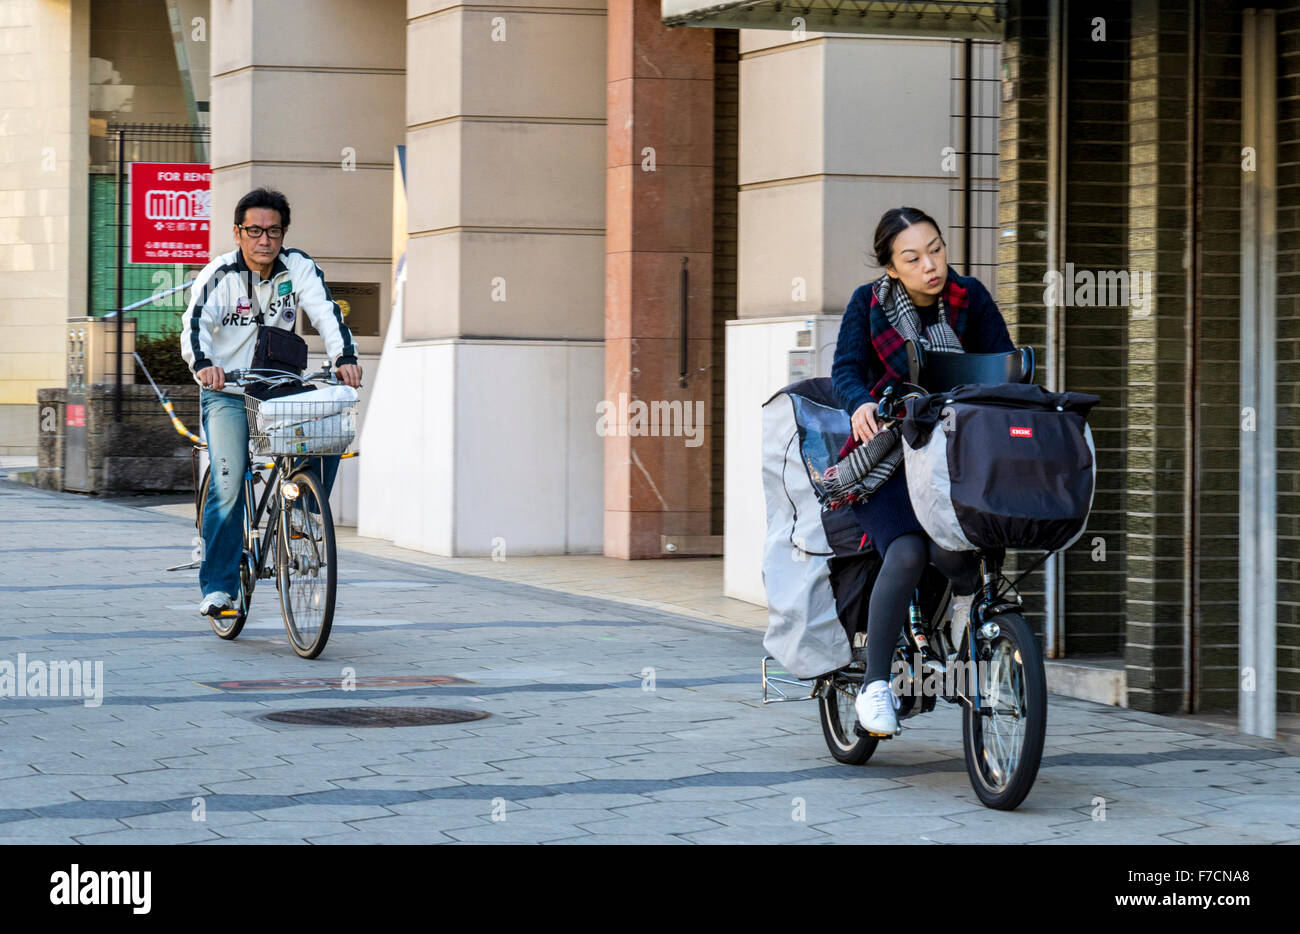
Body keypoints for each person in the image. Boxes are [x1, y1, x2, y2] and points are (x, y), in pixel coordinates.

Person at [831, 206, 1015, 735]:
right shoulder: (868, 304)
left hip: (953, 452)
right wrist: (861, 404)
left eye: (935, 248)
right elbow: (845, 370)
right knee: (909, 551)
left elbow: (1001, 364)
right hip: (886, 455)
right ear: (891, 268)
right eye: (912, 257)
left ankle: (961, 610)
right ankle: (874, 688)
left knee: (953, 549)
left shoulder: (970, 298)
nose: (930, 264)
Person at [180, 187, 362, 618]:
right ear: (238, 232)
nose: (265, 240)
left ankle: (300, 513)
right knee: (228, 478)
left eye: (274, 231)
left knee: (329, 427)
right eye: (255, 231)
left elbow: (326, 312)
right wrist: (205, 365)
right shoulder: (219, 275)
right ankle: (220, 587)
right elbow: (193, 327)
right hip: (227, 391)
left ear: (283, 234)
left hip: (279, 385)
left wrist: (345, 358)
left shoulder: (297, 267)